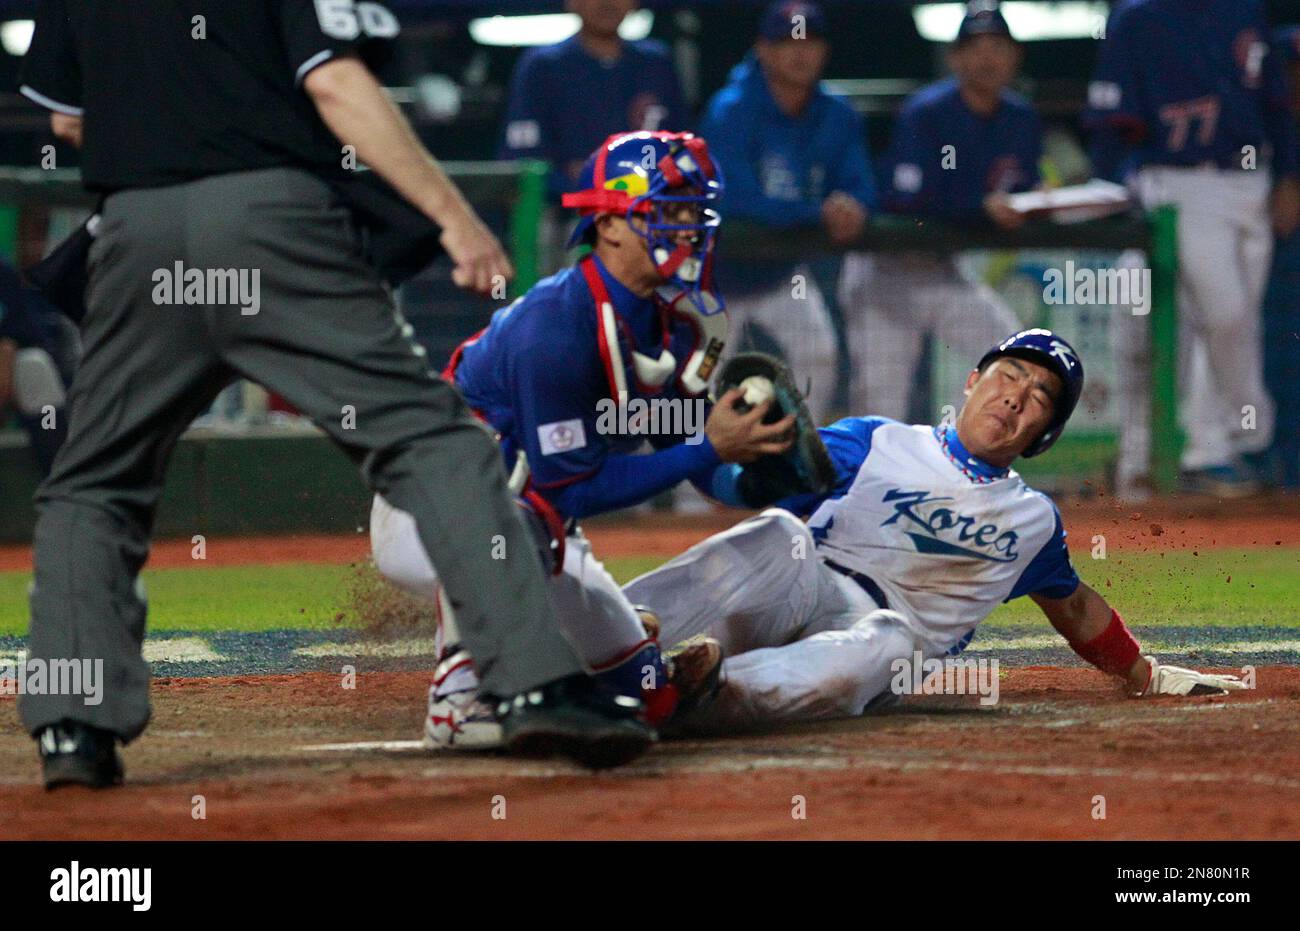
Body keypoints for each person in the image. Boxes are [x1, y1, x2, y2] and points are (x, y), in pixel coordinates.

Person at [17, 0, 650, 787]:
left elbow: (69, 127)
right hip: (271, 219)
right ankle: (529, 680)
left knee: (90, 483)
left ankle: (72, 731)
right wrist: (453, 219)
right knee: (434, 439)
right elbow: (337, 82)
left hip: (134, 232)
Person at [371, 130, 796, 750]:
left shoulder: (675, 324)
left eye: (694, 211)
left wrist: (754, 474)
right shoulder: (555, 324)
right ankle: (458, 699)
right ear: (611, 223)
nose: (689, 228)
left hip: (542, 529)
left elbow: (686, 445)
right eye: (669, 211)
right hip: (435, 513)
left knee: (652, 696)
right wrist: (710, 448)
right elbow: (569, 489)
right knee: (514, 513)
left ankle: (564, 653)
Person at [623, 329, 1246, 732]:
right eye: (1007, 375)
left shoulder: (1033, 521)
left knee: (891, 642)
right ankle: (607, 641)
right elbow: (744, 494)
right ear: (972, 382)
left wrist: (1145, 673)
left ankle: (695, 695)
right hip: (800, 589)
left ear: (1045, 434)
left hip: (881, 647)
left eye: (1039, 395)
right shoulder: (877, 440)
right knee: (779, 532)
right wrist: (702, 452)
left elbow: (1076, 605)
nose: (1015, 396)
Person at [1084, 0, 1300, 497]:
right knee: (1224, 314)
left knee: (1222, 323)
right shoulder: (1138, 17)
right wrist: (1123, 184)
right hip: (1181, 182)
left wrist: (1287, 175)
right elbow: (1111, 119)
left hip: (1252, 179)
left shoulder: (1244, 10)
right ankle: (1236, 438)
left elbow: (1276, 104)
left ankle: (1211, 453)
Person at [837, 3, 1030, 423]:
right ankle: (864, 487)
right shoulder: (928, 113)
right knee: (880, 404)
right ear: (954, 57)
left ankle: (962, 466)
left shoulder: (1020, 119)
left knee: (1017, 357)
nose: (987, 57)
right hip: (886, 271)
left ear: (1015, 55)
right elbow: (904, 201)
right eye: (974, 47)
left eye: (998, 46)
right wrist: (979, 210)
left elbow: (1025, 191)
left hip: (944, 269)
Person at [700, 0, 876, 425]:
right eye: (787, 42)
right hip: (710, 281)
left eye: (810, 42)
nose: (800, 53)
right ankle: (693, 489)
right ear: (763, 49)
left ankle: (793, 468)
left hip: (779, 276)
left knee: (818, 356)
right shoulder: (730, 110)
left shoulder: (836, 112)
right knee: (696, 383)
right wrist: (819, 213)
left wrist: (854, 207)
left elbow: (861, 183)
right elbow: (733, 201)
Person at [499, 0, 689, 198]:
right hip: (569, 214)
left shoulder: (655, 63)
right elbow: (522, 161)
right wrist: (587, 178)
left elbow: (682, 145)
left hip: (651, 210)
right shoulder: (543, 66)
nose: (607, 3)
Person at [1256, 25, 1300, 491]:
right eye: (1291, 71)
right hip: (1279, 274)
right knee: (1277, 364)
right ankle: (1278, 468)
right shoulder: (1267, 127)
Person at [0, 259, 70, 474]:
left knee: (34, 366)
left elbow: (7, 344)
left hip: (8, 370)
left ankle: (61, 480)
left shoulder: (2, 273)